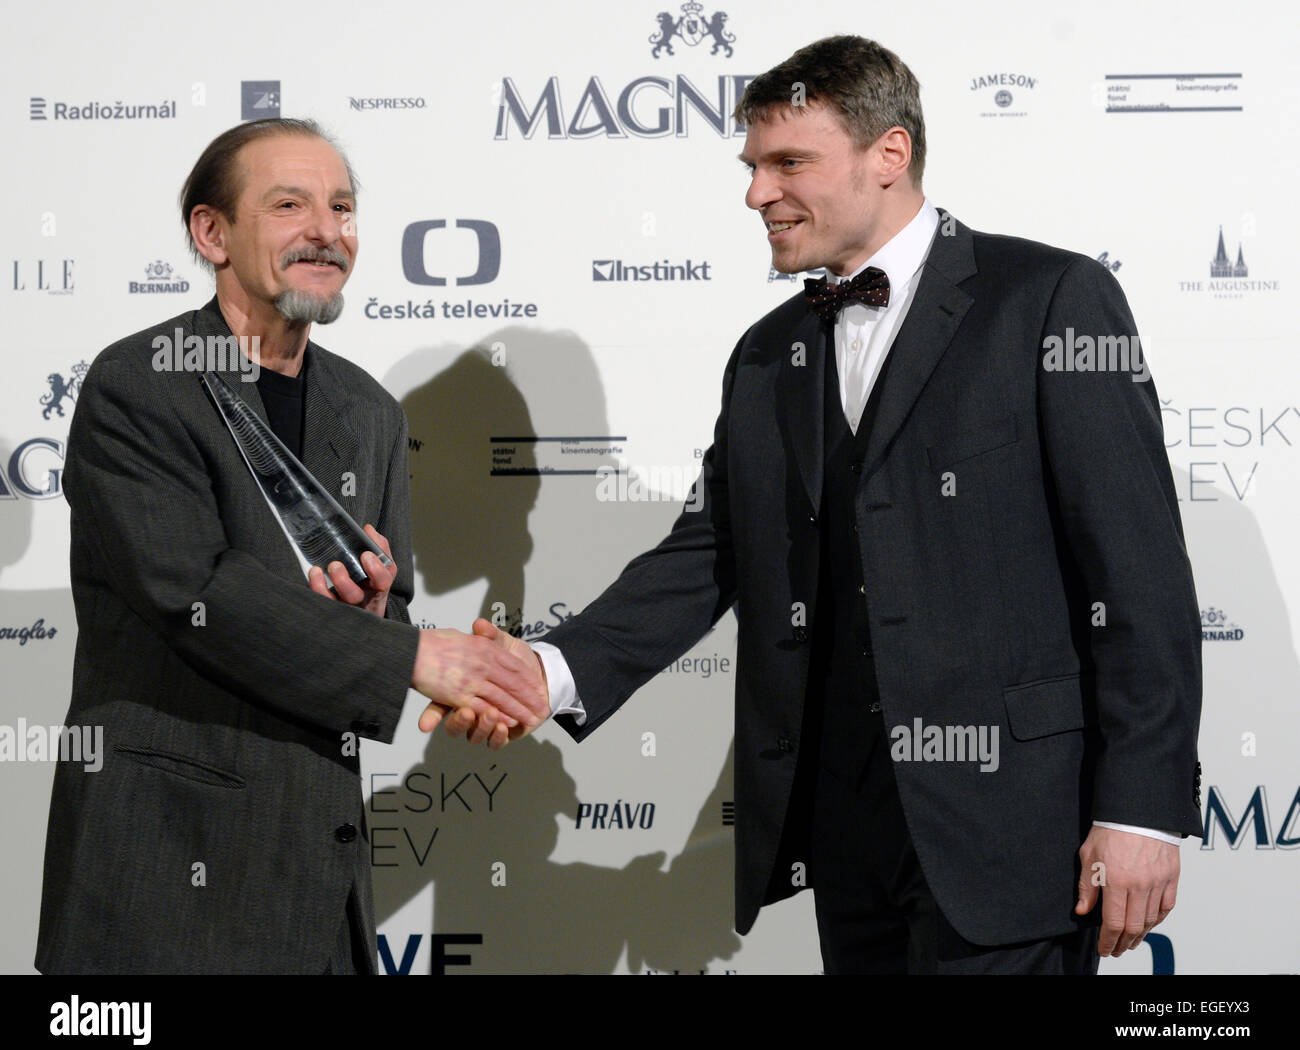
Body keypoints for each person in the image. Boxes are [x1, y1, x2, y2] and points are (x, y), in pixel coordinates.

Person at [438, 36, 1203, 974]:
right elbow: (710, 551)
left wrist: (1141, 807)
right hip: (844, 835)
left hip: (1015, 833)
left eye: (787, 162)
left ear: (890, 154)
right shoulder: (766, 353)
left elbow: (1141, 578)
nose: (756, 193)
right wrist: (547, 671)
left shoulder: (1048, 300)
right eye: (753, 166)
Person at [36, 118, 546, 975]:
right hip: (163, 870)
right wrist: (416, 656)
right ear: (213, 233)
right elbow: (194, 591)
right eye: (289, 204)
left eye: (342, 207)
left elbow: (388, 609)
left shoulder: (370, 411)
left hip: (319, 874)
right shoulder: (141, 381)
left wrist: (381, 613)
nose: (327, 230)